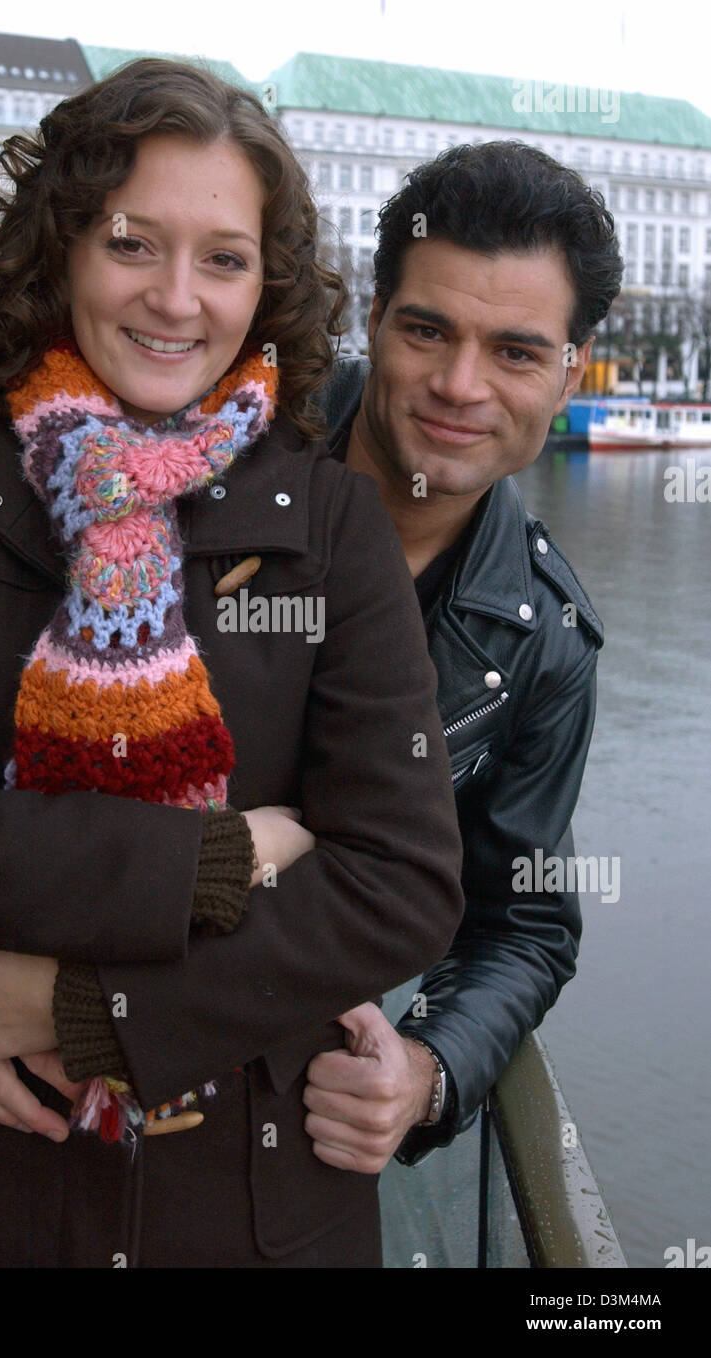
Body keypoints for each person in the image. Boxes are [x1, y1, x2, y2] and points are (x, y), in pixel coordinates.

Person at [0, 58, 464, 1268]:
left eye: (223, 258)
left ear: (263, 282)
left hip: (264, 1209)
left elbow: (401, 882)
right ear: (59, 249)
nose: (178, 299)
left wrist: (85, 1010)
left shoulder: (326, 520)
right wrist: (222, 857)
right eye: (132, 244)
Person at [302, 142, 621, 1175]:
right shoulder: (220, 436)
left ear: (572, 372)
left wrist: (427, 1069)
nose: (457, 386)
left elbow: (524, 920)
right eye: (426, 329)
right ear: (374, 319)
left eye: (516, 352)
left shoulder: (544, 642)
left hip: (284, 1107)